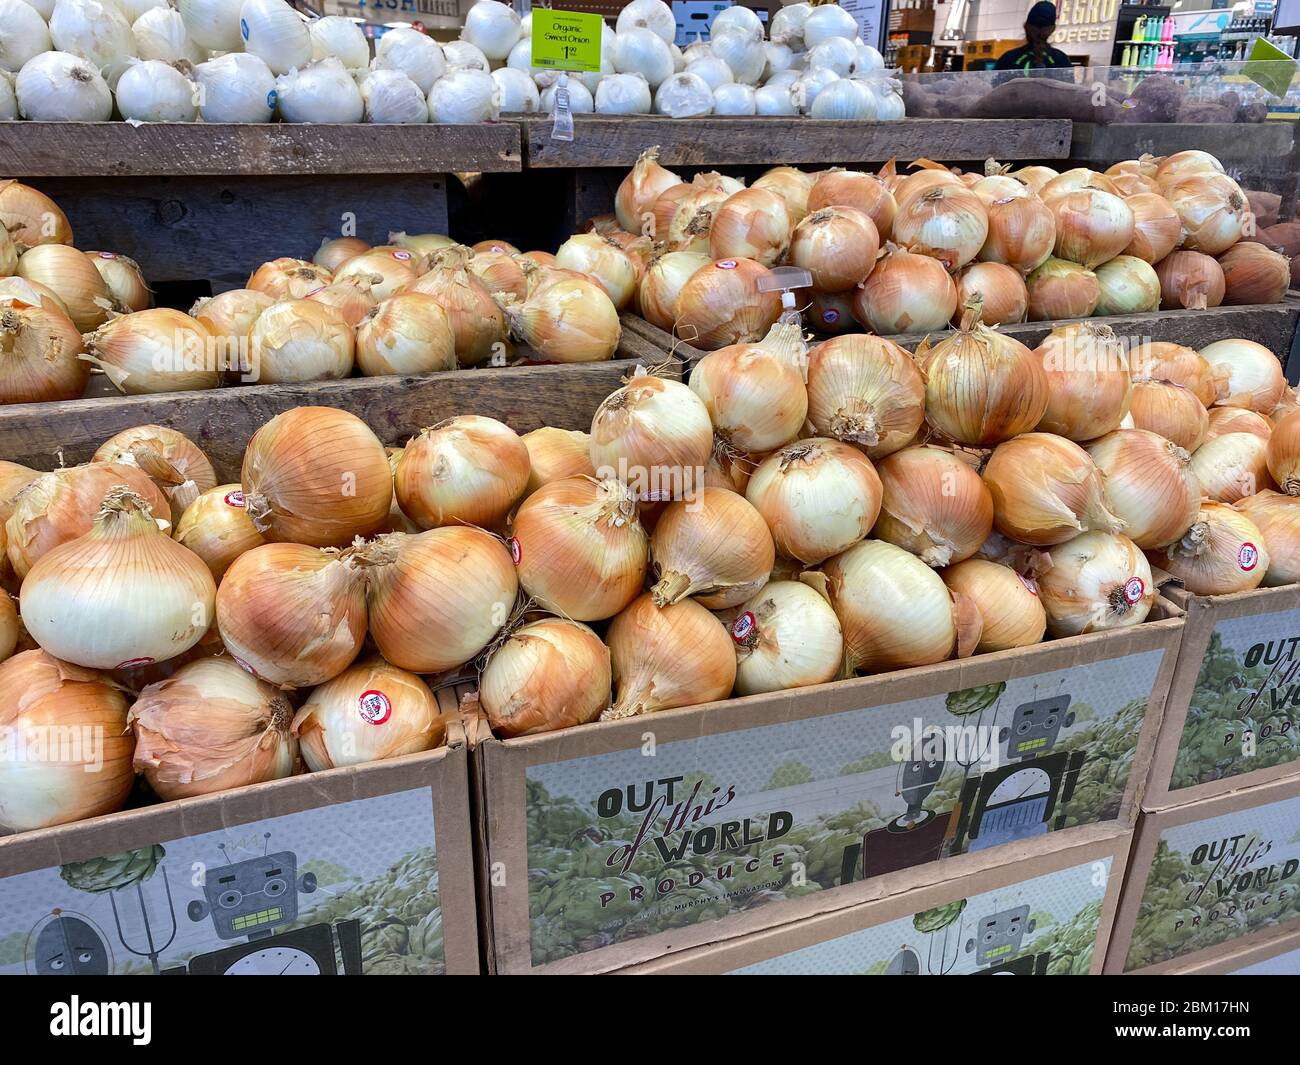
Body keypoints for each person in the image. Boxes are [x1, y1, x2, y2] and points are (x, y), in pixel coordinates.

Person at [994, 1, 1073, 73]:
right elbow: (1070, 87)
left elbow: (993, 86)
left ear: (1025, 27)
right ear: (1052, 29)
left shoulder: (1008, 59)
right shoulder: (1061, 61)